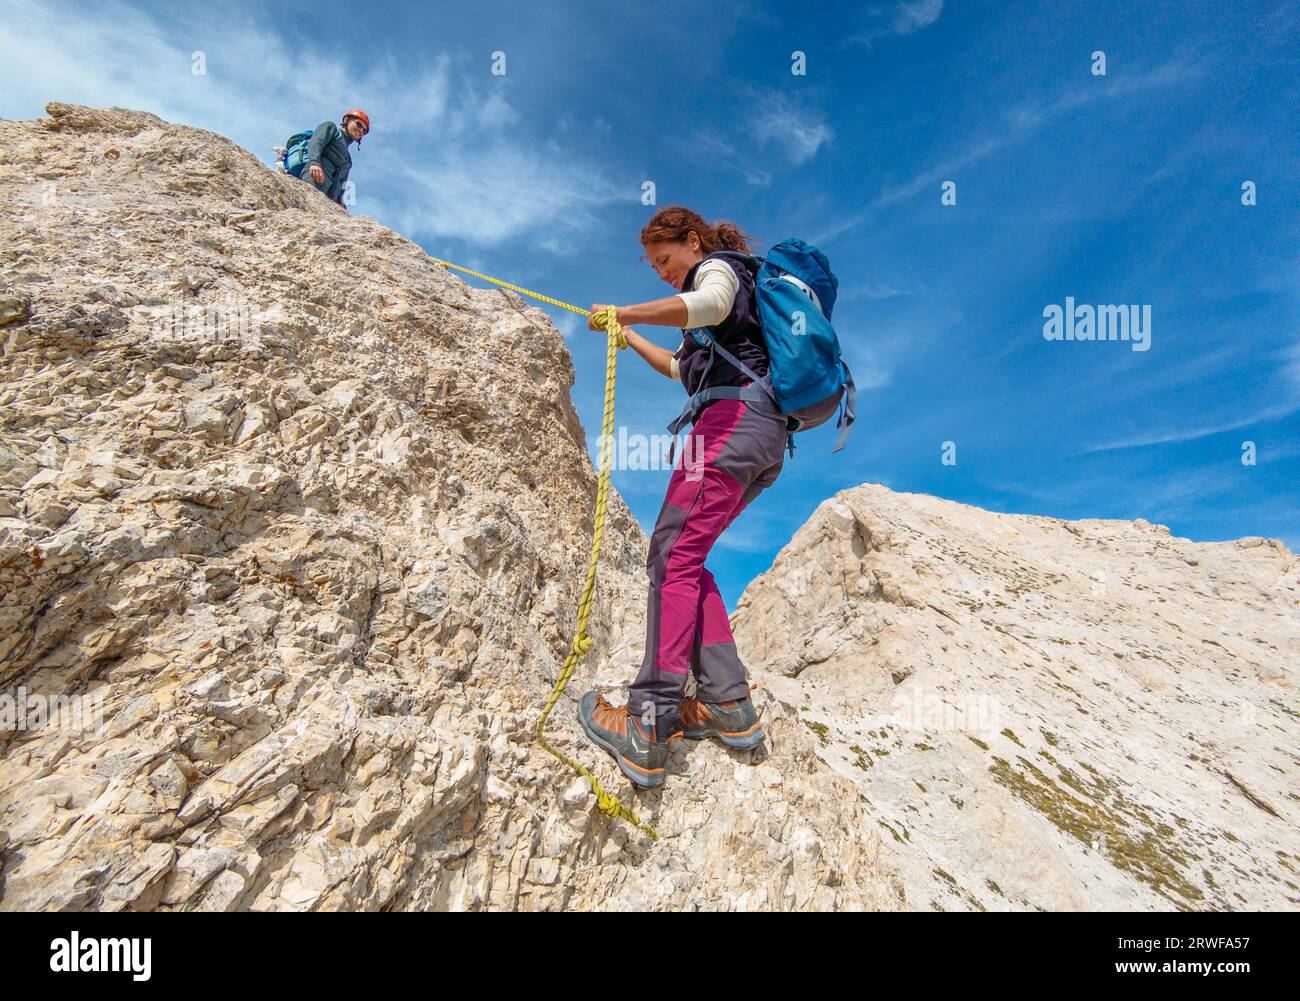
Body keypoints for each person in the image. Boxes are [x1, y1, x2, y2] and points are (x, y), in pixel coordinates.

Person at [579, 205, 788, 789]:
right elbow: (681, 369)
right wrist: (631, 335)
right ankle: (729, 704)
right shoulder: (720, 318)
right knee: (687, 560)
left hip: (728, 429)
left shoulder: (718, 271)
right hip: (761, 437)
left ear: (692, 242)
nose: (663, 274)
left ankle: (649, 723)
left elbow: (710, 303)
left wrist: (624, 309)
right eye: (654, 268)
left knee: (669, 559)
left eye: (665, 260)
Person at [302, 109, 370, 208]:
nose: (360, 131)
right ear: (347, 120)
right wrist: (314, 163)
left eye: (364, 131)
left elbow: (342, 181)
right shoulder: (331, 128)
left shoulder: (348, 160)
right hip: (313, 179)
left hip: (328, 198)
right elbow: (316, 142)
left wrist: (341, 202)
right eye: (359, 125)